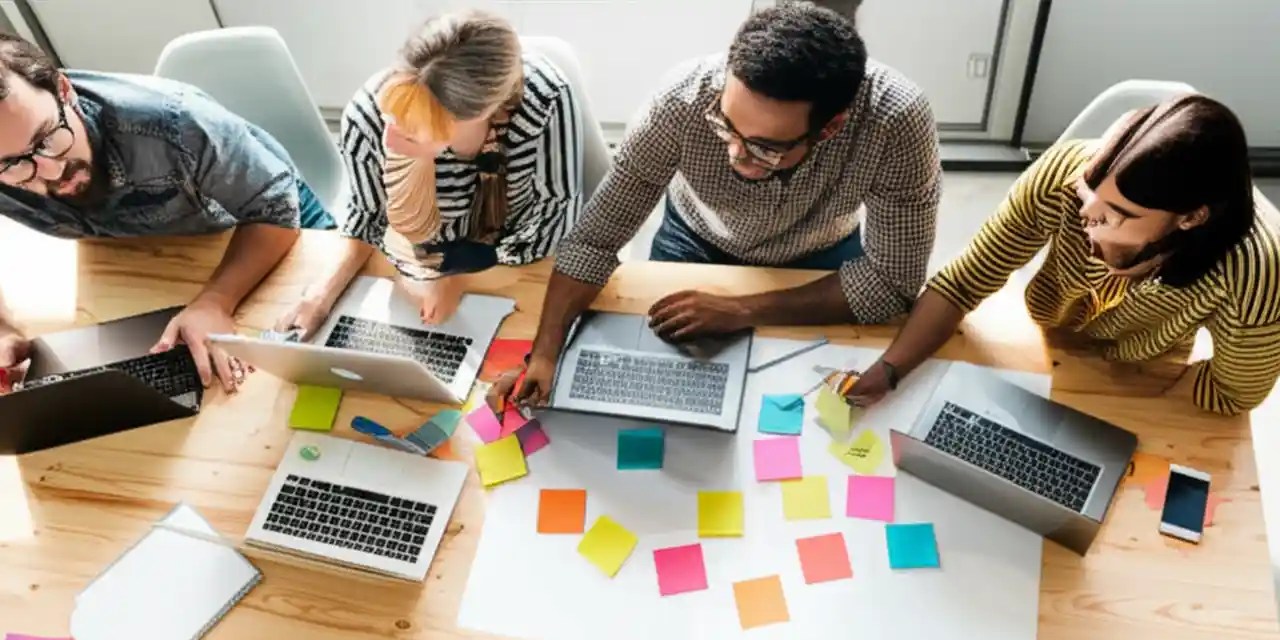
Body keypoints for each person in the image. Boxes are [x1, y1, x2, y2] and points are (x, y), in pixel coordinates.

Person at [489, 3, 941, 411]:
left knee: (802, 395)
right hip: (694, 239)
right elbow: (593, 240)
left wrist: (742, 309)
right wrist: (543, 353)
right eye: (726, 127)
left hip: (820, 257)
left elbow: (890, 281)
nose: (736, 156)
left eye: (766, 147)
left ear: (831, 128)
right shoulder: (682, 98)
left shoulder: (896, 120)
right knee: (665, 388)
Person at [842, 95, 1280, 416]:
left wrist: (1133, 402)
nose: (1086, 220)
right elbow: (963, 281)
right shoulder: (1065, 174)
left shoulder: (1254, 270)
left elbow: (1234, 392)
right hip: (1045, 337)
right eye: (1087, 197)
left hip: (1146, 372)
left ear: (1191, 218)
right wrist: (891, 369)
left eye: (1115, 215)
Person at [0, 33, 335, 393]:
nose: (52, 173)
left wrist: (216, 301)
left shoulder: (175, 123)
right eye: (10, 164)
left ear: (64, 91)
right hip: (139, 254)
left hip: (258, 221)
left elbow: (274, 209)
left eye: (47, 138)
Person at [276, 10, 583, 337]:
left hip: (513, 276)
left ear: (483, 113)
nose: (390, 138)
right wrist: (319, 296)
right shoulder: (369, 118)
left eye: (416, 129)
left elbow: (552, 224)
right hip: (415, 277)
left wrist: (458, 278)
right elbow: (368, 218)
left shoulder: (543, 101)